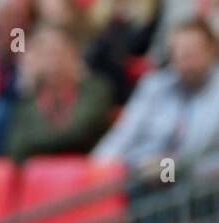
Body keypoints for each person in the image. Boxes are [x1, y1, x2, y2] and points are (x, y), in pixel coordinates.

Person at [93, 19, 219, 181]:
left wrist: (170, 169)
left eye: (191, 54)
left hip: (200, 190)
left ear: (212, 51)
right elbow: (123, 134)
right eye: (178, 54)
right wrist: (96, 167)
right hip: (141, 180)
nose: (185, 62)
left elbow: (205, 158)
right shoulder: (155, 85)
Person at [5, 23, 114, 162]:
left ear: (75, 54)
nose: (53, 61)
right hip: (41, 178)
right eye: (45, 54)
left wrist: (35, 146)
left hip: (88, 173)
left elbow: (80, 133)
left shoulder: (96, 89)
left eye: (58, 52)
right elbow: (16, 148)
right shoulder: (27, 101)